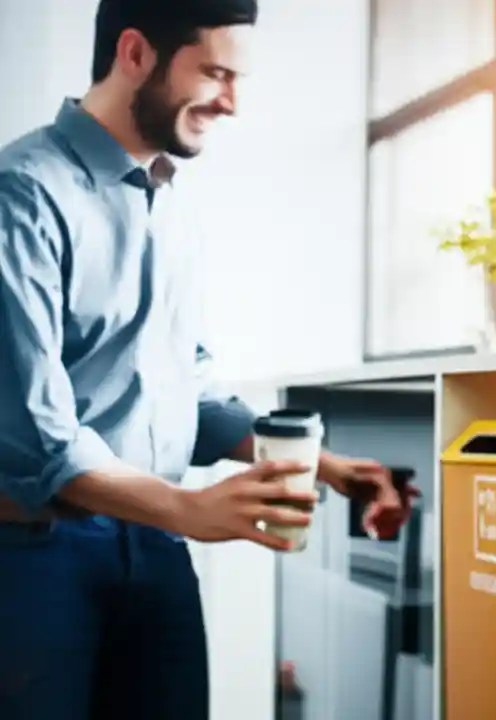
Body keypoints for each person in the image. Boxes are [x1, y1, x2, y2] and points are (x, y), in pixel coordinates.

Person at [0, 1, 410, 718]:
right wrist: (188, 508)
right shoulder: (22, 195)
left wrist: (324, 466)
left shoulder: (169, 204)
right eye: (217, 73)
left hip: (155, 548)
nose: (232, 103)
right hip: (38, 555)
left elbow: (184, 387)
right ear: (135, 54)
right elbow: (37, 435)